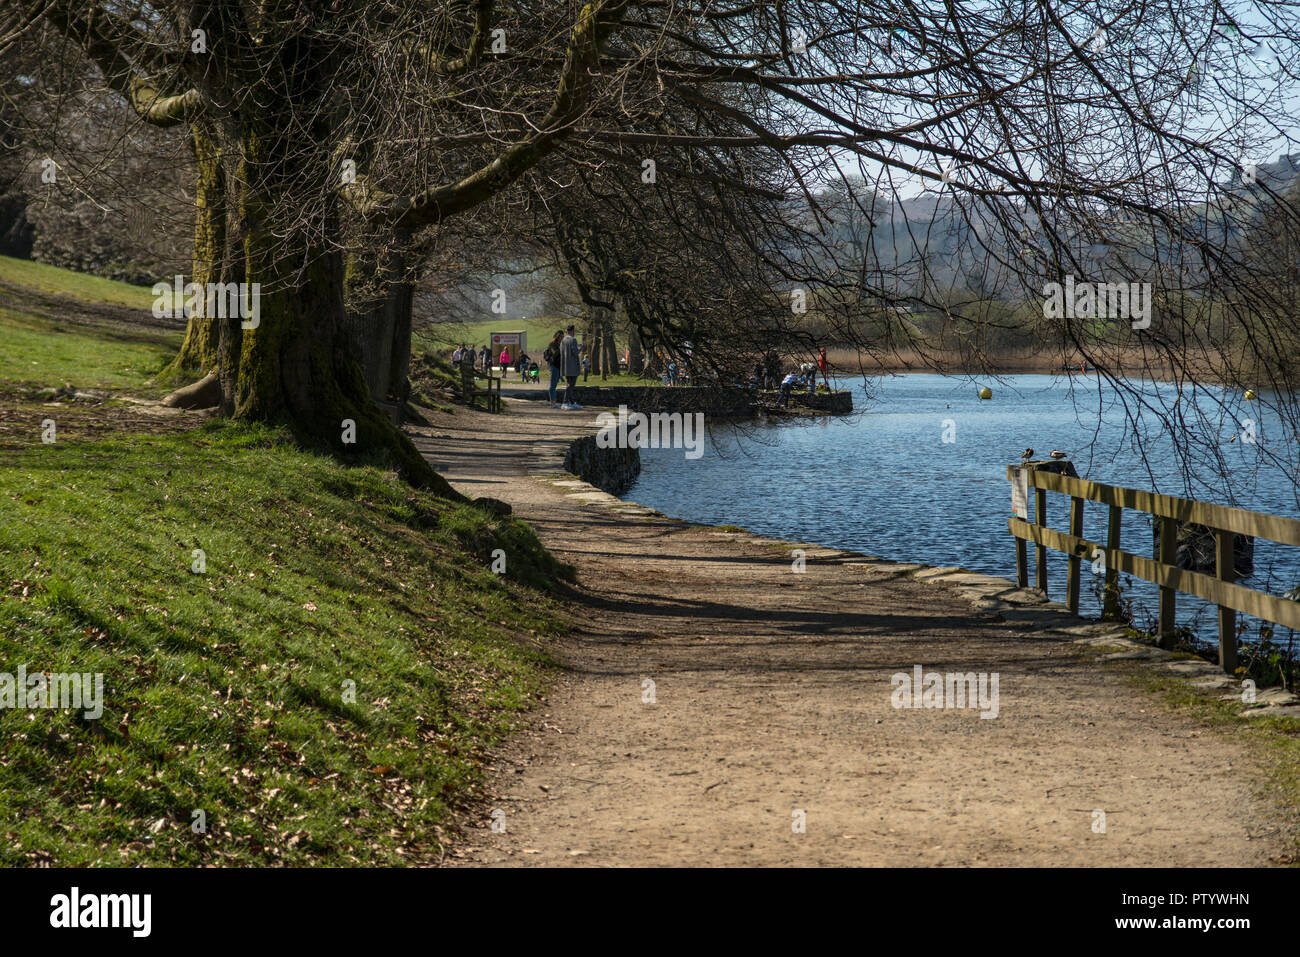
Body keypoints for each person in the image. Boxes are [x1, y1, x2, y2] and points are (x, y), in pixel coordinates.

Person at [560, 324, 582, 409]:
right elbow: (575, 353)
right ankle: (565, 402)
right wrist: (580, 349)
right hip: (572, 366)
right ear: (573, 331)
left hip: (565, 365)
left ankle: (572, 402)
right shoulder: (573, 340)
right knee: (571, 385)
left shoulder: (563, 340)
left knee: (570, 384)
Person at [543, 330, 564, 406]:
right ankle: (553, 402)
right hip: (554, 365)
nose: (561, 338)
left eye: (562, 336)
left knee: (555, 384)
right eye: (560, 336)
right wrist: (560, 349)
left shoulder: (560, 344)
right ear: (556, 336)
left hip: (559, 366)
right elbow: (555, 354)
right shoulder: (552, 344)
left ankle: (553, 401)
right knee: (553, 385)